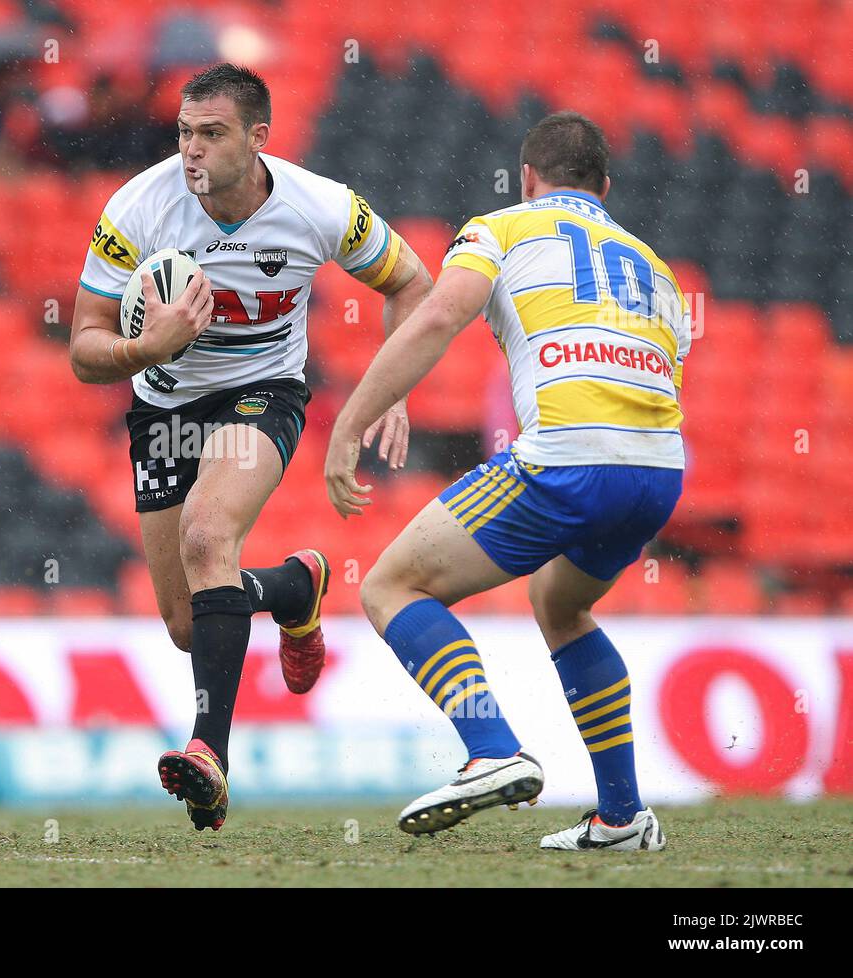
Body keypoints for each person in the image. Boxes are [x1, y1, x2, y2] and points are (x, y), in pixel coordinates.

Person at [70, 64, 432, 830]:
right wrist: (150, 346)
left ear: (258, 138)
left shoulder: (322, 206)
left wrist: (393, 388)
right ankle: (294, 590)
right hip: (162, 402)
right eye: (183, 133)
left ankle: (210, 754)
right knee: (184, 622)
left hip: (262, 392)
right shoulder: (137, 207)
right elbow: (82, 347)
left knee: (209, 534)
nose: (191, 151)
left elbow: (411, 284)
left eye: (211, 134)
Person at [325, 112, 691, 852]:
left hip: (568, 457)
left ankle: (492, 748)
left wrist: (350, 421)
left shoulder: (503, 226)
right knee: (561, 605)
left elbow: (438, 317)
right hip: (659, 468)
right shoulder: (656, 267)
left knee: (390, 586)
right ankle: (622, 818)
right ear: (606, 187)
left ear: (528, 178)